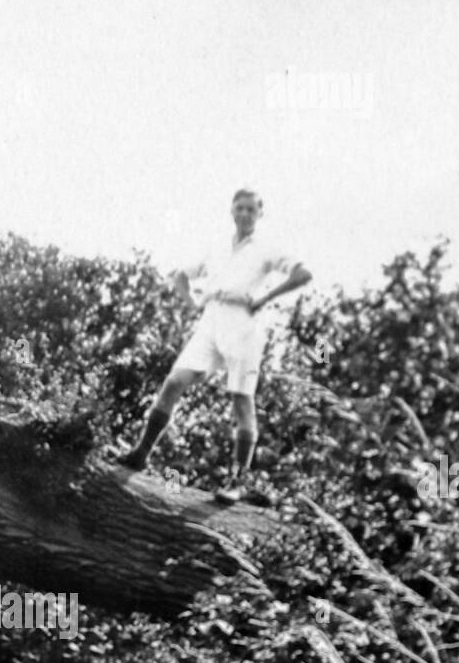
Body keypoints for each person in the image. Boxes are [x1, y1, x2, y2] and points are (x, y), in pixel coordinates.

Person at [116, 189, 312, 502]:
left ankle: (237, 482)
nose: (245, 214)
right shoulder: (218, 246)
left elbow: (303, 274)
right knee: (173, 382)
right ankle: (141, 452)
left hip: (245, 326)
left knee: (241, 399)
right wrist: (191, 302)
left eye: (251, 209)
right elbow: (180, 275)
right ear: (231, 211)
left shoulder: (267, 248)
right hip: (211, 319)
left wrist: (262, 299)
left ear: (260, 213)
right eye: (240, 208)